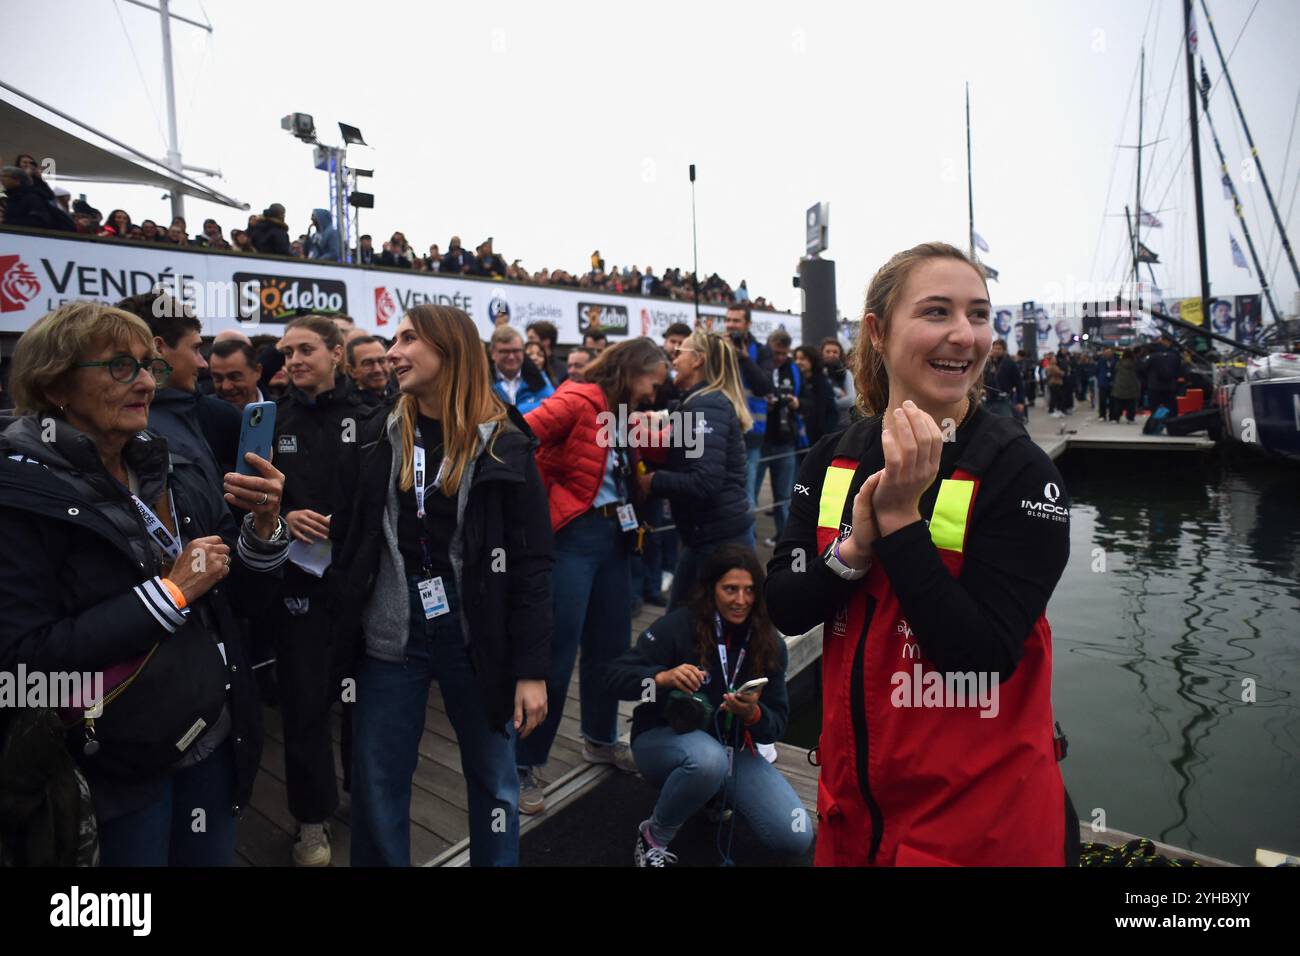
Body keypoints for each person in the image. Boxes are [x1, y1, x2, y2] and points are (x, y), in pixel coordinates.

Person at [766, 241, 1076, 866]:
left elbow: (980, 659)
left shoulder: (1020, 471)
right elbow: (786, 606)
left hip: (979, 829)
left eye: (979, 314)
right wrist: (853, 550)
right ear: (878, 333)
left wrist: (902, 521)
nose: (964, 335)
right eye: (937, 312)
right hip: (853, 814)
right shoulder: (830, 457)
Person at [0, 301, 290, 866]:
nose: (145, 384)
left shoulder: (167, 464)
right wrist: (168, 595)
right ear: (55, 382)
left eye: (148, 367)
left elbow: (238, 598)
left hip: (210, 735)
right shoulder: (16, 494)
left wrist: (263, 526)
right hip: (107, 766)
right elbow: (21, 662)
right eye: (119, 368)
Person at [328, 305, 552, 867]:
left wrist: (530, 669)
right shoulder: (378, 433)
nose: (391, 352)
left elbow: (531, 565)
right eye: (391, 339)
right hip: (391, 634)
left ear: (448, 349)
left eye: (407, 339)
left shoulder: (507, 442)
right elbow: (354, 536)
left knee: (496, 781)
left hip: (476, 637)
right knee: (377, 783)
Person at [517, 338, 669, 813]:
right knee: (557, 653)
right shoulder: (579, 398)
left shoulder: (618, 409)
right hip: (575, 539)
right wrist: (546, 504)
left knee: (611, 646)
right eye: (653, 382)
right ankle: (524, 763)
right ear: (632, 370)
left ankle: (600, 738)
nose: (654, 394)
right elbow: (518, 436)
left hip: (614, 541)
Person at [604, 546, 809, 867]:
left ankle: (712, 795)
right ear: (711, 589)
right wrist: (661, 677)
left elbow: (777, 724)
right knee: (706, 761)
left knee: (795, 835)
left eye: (749, 590)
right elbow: (613, 678)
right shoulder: (676, 627)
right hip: (663, 738)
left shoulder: (768, 642)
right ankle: (653, 836)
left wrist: (753, 714)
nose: (740, 600)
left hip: (733, 750)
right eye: (730, 589)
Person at [268, 315, 369, 866]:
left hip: (360, 588)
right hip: (297, 589)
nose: (294, 360)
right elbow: (240, 499)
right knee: (304, 707)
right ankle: (311, 819)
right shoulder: (267, 422)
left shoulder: (372, 419)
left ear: (336, 353)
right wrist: (284, 514)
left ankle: (364, 790)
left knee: (364, 702)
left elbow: (390, 503)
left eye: (305, 349)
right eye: (286, 353)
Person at [636, 330, 755, 609]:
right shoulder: (699, 402)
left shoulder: (705, 405)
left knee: (717, 627)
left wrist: (651, 481)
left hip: (719, 538)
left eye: (680, 352)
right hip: (708, 533)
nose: (673, 359)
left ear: (698, 360)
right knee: (683, 622)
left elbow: (705, 480)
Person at [116, 292, 242, 490]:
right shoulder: (114, 426)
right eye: (195, 349)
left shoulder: (216, 416)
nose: (203, 364)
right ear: (158, 348)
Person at [755, 330, 803, 547]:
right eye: (777, 352)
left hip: (785, 440)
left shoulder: (792, 369)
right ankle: (748, 542)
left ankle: (785, 542)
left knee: (784, 498)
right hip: (760, 440)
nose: (780, 357)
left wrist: (796, 402)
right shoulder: (758, 365)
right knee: (750, 496)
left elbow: (806, 400)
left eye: (784, 353)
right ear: (769, 346)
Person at [723, 303, 774, 507]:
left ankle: (747, 538)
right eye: (728, 320)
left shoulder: (761, 351)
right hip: (721, 427)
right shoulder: (719, 346)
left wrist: (744, 359)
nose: (730, 325)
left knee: (746, 493)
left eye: (736, 320)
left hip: (751, 431)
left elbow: (765, 386)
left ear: (748, 324)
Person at [489, 326, 554, 414]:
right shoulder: (482, 383)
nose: (511, 357)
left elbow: (552, 408)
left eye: (516, 351)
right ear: (493, 353)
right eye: (505, 351)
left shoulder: (540, 380)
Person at [794, 344, 839, 443]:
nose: (798, 362)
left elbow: (832, 412)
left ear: (812, 360)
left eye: (802, 359)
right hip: (798, 436)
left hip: (818, 438)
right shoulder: (795, 381)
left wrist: (825, 436)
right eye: (796, 358)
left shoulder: (822, 383)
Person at [210, 339, 265, 411]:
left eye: (234, 377)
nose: (226, 387)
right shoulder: (200, 414)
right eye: (218, 378)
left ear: (257, 372)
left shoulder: (280, 410)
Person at [346, 335, 395, 408]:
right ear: (351, 370)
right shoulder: (345, 409)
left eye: (382, 361)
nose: (377, 369)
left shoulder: (403, 398)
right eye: (368, 363)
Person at [1141, 332, 1183, 417]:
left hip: (1154, 386)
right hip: (1169, 386)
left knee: (1155, 408)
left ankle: (1156, 426)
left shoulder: (1152, 356)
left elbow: (1143, 369)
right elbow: (1179, 369)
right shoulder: (1174, 355)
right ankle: (1173, 424)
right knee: (1171, 407)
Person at [982, 338, 1024, 419]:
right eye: (994, 348)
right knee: (987, 426)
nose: (996, 350)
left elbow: (1019, 384)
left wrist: (1020, 402)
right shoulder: (987, 363)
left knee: (1004, 425)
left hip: (1004, 400)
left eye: (999, 348)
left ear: (1004, 350)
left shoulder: (1010, 364)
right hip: (988, 400)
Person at [821, 337, 857, 429]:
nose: (831, 354)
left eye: (835, 352)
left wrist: (828, 403)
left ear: (840, 354)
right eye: (828, 351)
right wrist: (837, 391)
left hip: (841, 424)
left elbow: (850, 400)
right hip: (820, 425)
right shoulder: (817, 373)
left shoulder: (845, 373)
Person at [526, 320, 567, 386]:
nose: (528, 342)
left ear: (546, 341)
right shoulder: (523, 367)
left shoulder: (563, 371)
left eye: (531, 338)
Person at [1109, 349, 1139, 423]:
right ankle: (1130, 418)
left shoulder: (1119, 363)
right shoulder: (1135, 363)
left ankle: (1116, 418)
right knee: (1131, 403)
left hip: (1119, 386)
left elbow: (1114, 369)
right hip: (1132, 386)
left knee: (1118, 403)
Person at [1094, 346, 1115, 421]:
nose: (1108, 354)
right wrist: (1100, 378)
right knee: (1102, 400)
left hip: (1112, 383)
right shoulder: (1101, 361)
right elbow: (1096, 371)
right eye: (1106, 353)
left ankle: (1112, 416)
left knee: (1112, 401)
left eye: (1109, 353)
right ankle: (1102, 415)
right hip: (1103, 383)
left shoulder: (1114, 361)